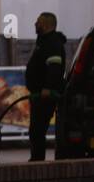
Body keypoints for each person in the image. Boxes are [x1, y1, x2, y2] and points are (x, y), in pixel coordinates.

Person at [26, 12, 68, 161]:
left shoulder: (52, 43)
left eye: (38, 22)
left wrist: (47, 88)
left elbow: (54, 67)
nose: (35, 24)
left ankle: (37, 161)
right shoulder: (44, 42)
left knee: (38, 130)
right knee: (35, 130)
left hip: (45, 95)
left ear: (45, 24)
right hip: (39, 94)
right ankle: (36, 158)